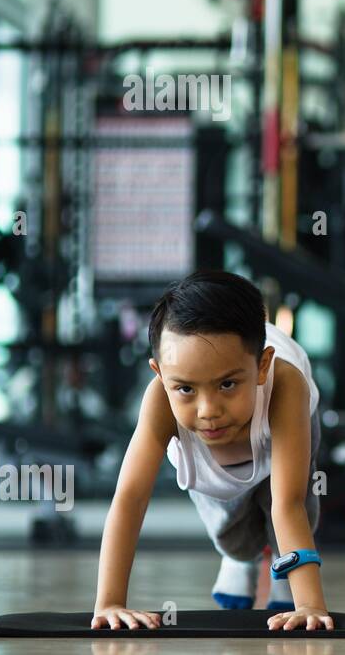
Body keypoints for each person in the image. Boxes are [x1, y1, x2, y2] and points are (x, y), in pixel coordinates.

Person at [91, 270, 331, 632]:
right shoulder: (159, 402)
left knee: (289, 502)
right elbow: (129, 499)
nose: (208, 410)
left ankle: (282, 569)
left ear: (262, 366)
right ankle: (239, 561)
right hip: (211, 464)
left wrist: (310, 605)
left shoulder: (285, 385)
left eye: (227, 384)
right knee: (230, 529)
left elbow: (287, 503)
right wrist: (109, 603)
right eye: (186, 389)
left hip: (287, 420)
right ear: (160, 375)